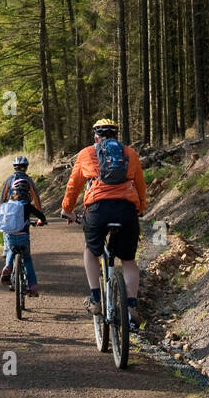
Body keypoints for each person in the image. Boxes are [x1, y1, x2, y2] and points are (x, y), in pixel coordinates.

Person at [60, 118, 147, 333]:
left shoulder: (86, 153)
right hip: (126, 210)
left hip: (98, 210)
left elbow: (74, 185)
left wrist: (67, 209)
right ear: (116, 136)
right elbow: (140, 184)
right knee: (128, 260)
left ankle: (95, 298)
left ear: (96, 137)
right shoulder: (130, 153)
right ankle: (132, 305)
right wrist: (141, 207)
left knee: (91, 251)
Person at [0, 176, 46, 297]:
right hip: (23, 237)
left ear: (13, 192)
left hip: (11, 237)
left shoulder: (8, 204)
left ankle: (7, 267)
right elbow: (40, 215)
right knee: (27, 259)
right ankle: (32, 287)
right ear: (27, 193)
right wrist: (41, 221)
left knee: (11, 251)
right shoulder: (27, 205)